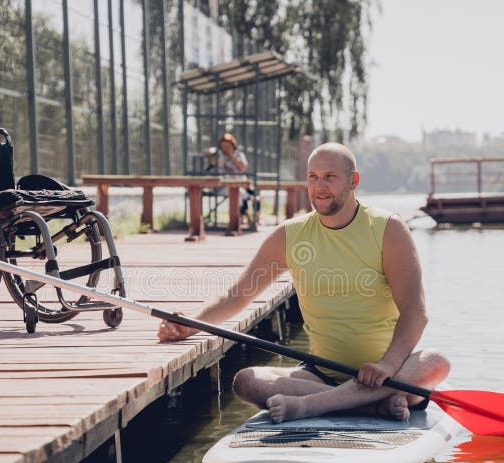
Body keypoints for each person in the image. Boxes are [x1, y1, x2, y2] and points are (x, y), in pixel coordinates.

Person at [158, 142, 450, 423]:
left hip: (390, 374)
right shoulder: (291, 235)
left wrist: (387, 365)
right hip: (320, 376)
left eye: (330, 177)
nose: (320, 186)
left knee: (435, 361)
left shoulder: (388, 229)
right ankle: (372, 407)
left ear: (353, 181)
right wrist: (191, 324)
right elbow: (238, 296)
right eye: (313, 177)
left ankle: (314, 405)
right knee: (248, 381)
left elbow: (415, 312)